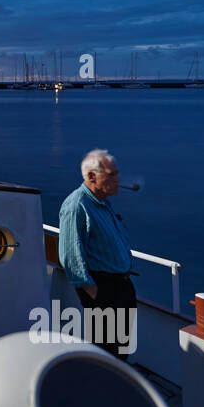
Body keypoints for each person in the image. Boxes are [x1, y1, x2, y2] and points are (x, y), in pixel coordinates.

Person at [58, 149, 135, 359]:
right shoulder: (76, 206)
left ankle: (116, 384)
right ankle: (104, 389)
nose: (118, 179)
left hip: (121, 286)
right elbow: (70, 256)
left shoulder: (103, 203)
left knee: (121, 350)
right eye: (112, 174)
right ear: (92, 176)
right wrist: (94, 292)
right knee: (107, 353)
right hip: (104, 289)